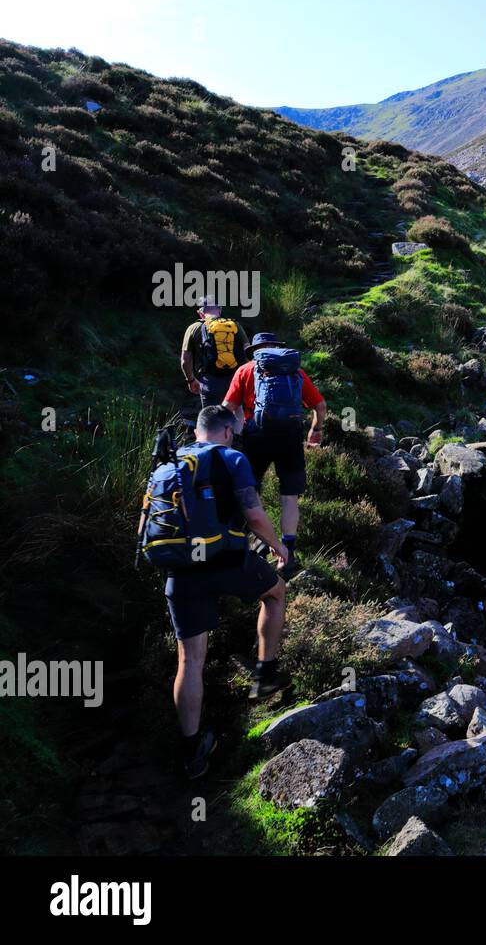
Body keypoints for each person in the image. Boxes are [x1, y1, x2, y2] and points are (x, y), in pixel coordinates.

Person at [157, 406, 291, 779]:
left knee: (190, 661)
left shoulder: (169, 463)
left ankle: (192, 752)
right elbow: (254, 515)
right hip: (226, 560)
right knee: (276, 592)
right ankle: (265, 675)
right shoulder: (233, 458)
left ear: (197, 430)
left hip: (180, 569)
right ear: (228, 432)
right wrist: (278, 546)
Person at [222, 333, 327, 575]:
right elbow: (320, 405)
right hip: (290, 435)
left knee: (249, 490)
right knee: (289, 495)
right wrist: (315, 430)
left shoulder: (245, 370)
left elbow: (228, 408)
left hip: (255, 435)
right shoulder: (295, 373)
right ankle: (287, 552)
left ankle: (251, 542)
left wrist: (222, 437)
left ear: (256, 350)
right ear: (278, 348)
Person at [181, 297, 250, 410]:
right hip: (235, 380)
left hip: (209, 382)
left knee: (212, 419)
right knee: (236, 417)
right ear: (220, 310)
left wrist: (191, 380)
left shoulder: (194, 328)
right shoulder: (234, 325)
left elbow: (185, 361)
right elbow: (248, 352)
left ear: (200, 313)